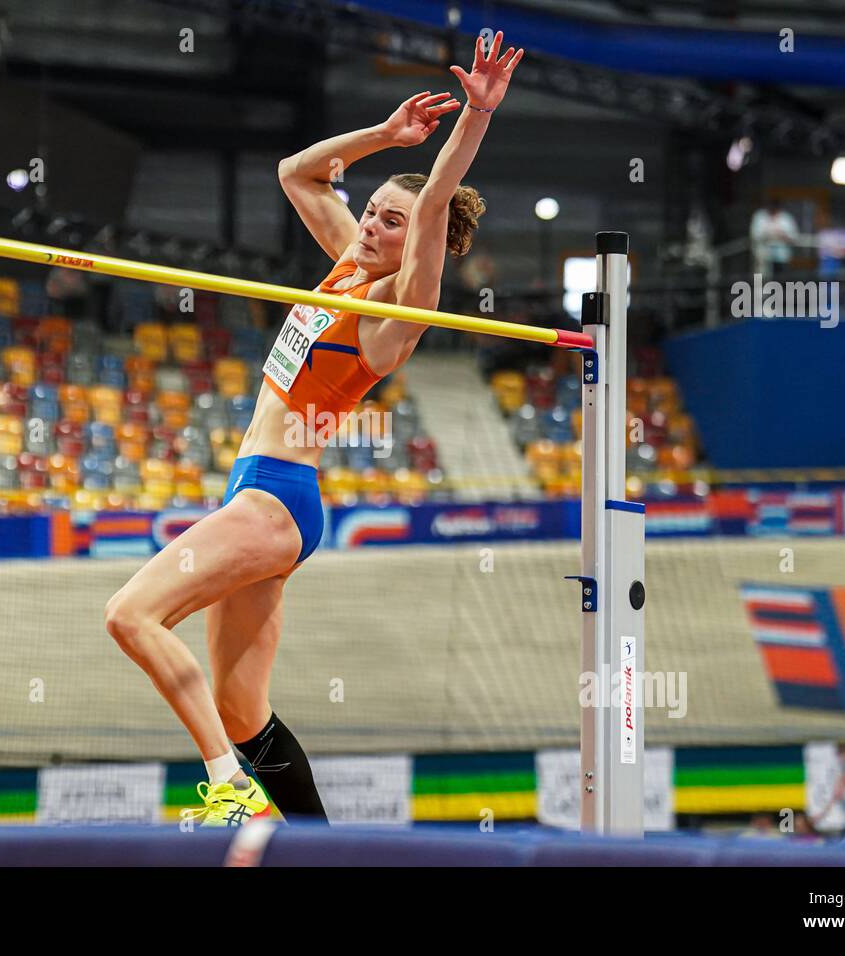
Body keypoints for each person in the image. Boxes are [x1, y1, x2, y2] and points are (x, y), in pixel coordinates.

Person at [104, 33, 522, 827]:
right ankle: (317, 844)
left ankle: (228, 789)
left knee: (129, 615)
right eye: (370, 210)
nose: (371, 225)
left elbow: (436, 202)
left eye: (390, 223)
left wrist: (475, 113)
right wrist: (386, 137)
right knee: (240, 709)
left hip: (278, 503)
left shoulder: (395, 309)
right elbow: (297, 172)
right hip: (255, 488)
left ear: (417, 244)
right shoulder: (345, 266)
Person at [749, 197, 799, 281]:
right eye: (770, 208)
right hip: (763, 256)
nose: (772, 211)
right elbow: (754, 235)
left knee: (781, 281)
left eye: (775, 208)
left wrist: (783, 236)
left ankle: (781, 293)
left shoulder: (786, 218)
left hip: (782, 257)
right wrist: (768, 234)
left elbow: (794, 237)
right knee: (763, 280)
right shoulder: (760, 216)